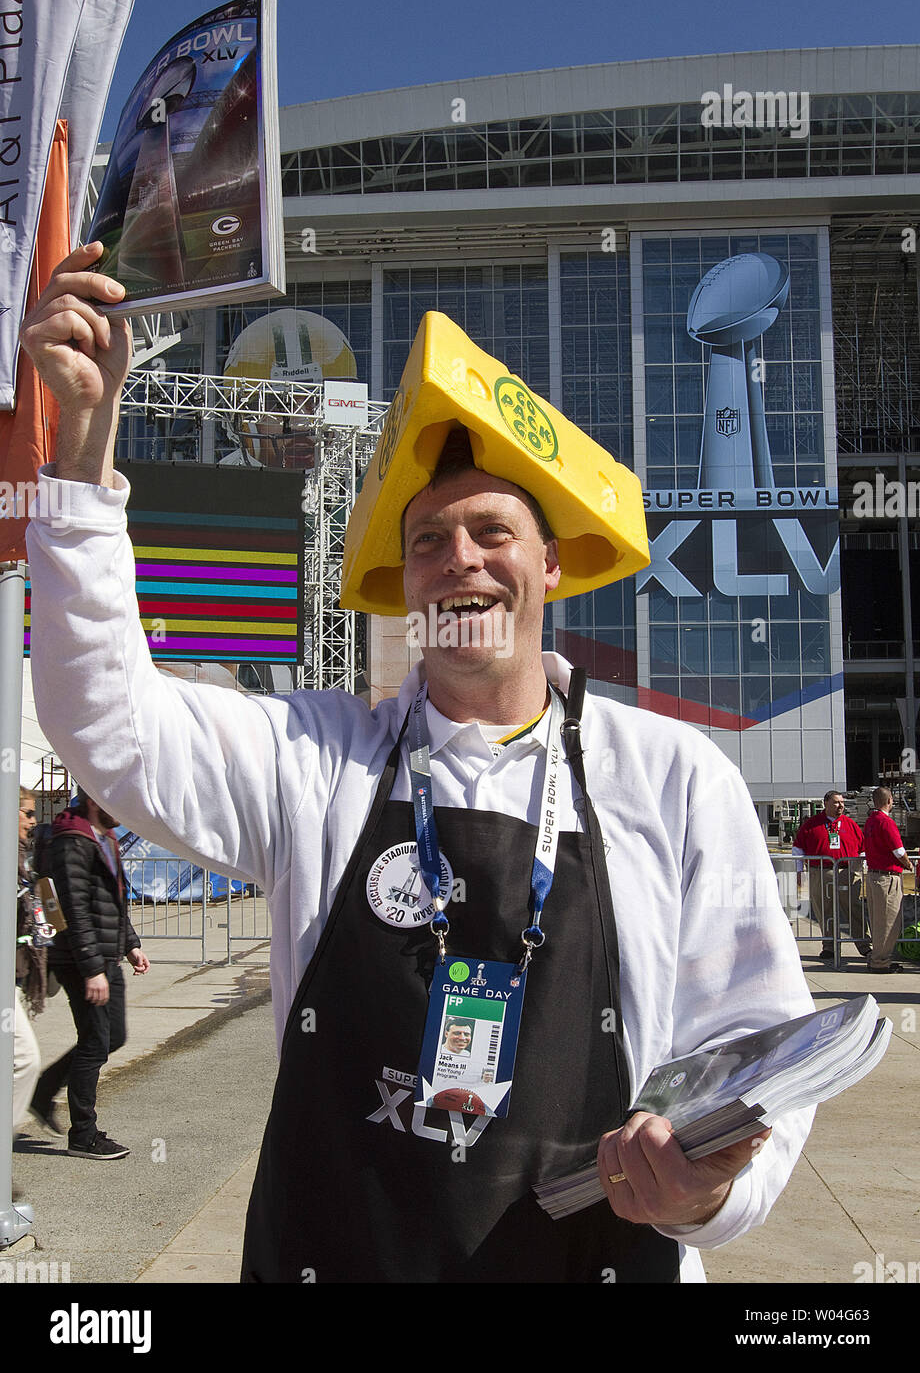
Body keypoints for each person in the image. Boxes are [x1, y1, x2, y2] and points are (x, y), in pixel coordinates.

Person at [20, 245, 816, 1282]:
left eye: (493, 531)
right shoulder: (317, 756)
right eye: (429, 541)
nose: (461, 562)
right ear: (405, 585)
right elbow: (108, 724)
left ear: (552, 563)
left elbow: (756, 1039)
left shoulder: (669, 776)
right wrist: (81, 462)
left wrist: (709, 1187)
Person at [28, 787, 150, 1158]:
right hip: (80, 960)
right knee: (96, 1041)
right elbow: (74, 909)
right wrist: (93, 969)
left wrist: (130, 943)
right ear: (96, 799)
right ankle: (84, 1134)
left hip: (104, 955)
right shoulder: (72, 841)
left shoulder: (104, 836)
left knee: (113, 1036)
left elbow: (115, 898)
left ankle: (45, 1088)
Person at [793, 791, 869, 960]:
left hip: (847, 871)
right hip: (820, 871)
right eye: (835, 802)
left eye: (842, 802)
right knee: (824, 909)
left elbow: (863, 847)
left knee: (853, 907)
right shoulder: (811, 825)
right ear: (825, 803)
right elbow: (798, 849)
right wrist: (799, 871)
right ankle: (829, 945)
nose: (840, 805)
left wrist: (863, 866)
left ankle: (864, 944)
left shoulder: (850, 824)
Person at [12, 788, 44, 1135]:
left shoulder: (23, 860)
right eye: (27, 813)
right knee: (25, 1060)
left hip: (17, 976)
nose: (33, 821)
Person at [863, 786, 913, 975]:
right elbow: (898, 851)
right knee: (889, 921)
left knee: (878, 920)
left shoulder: (870, 822)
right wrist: (908, 864)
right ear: (889, 800)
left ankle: (877, 957)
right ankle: (880, 961)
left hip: (875, 875)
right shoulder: (886, 822)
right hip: (887, 878)